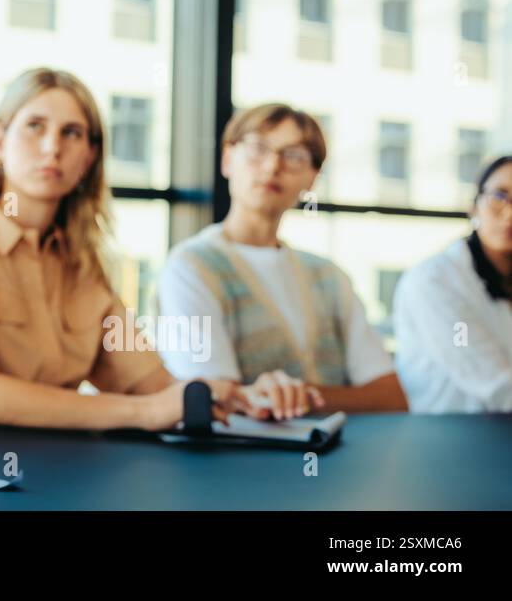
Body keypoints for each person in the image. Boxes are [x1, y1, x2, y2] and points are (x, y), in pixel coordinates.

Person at [0, 67, 276, 431]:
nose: (52, 147)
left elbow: (152, 384)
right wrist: (146, 413)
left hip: (53, 467)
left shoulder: (81, 259)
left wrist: (239, 396)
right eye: (35, 126)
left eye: (71, 133)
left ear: (88, 158)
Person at [157, 103, 407, 416]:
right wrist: (332, 398)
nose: (272, 166)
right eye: (258, 149)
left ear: (312, 178)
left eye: (293, 156)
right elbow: (219, 401)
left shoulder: (328, 276)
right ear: (227, 159)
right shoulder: (192, 267)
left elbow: (390, 397)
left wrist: (294, 396)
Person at [393, 155, 512, 413]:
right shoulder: (433, 280)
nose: (509, 213)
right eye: (499, 197)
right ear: (475, 207)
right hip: (445, 439)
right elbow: (497, 385)